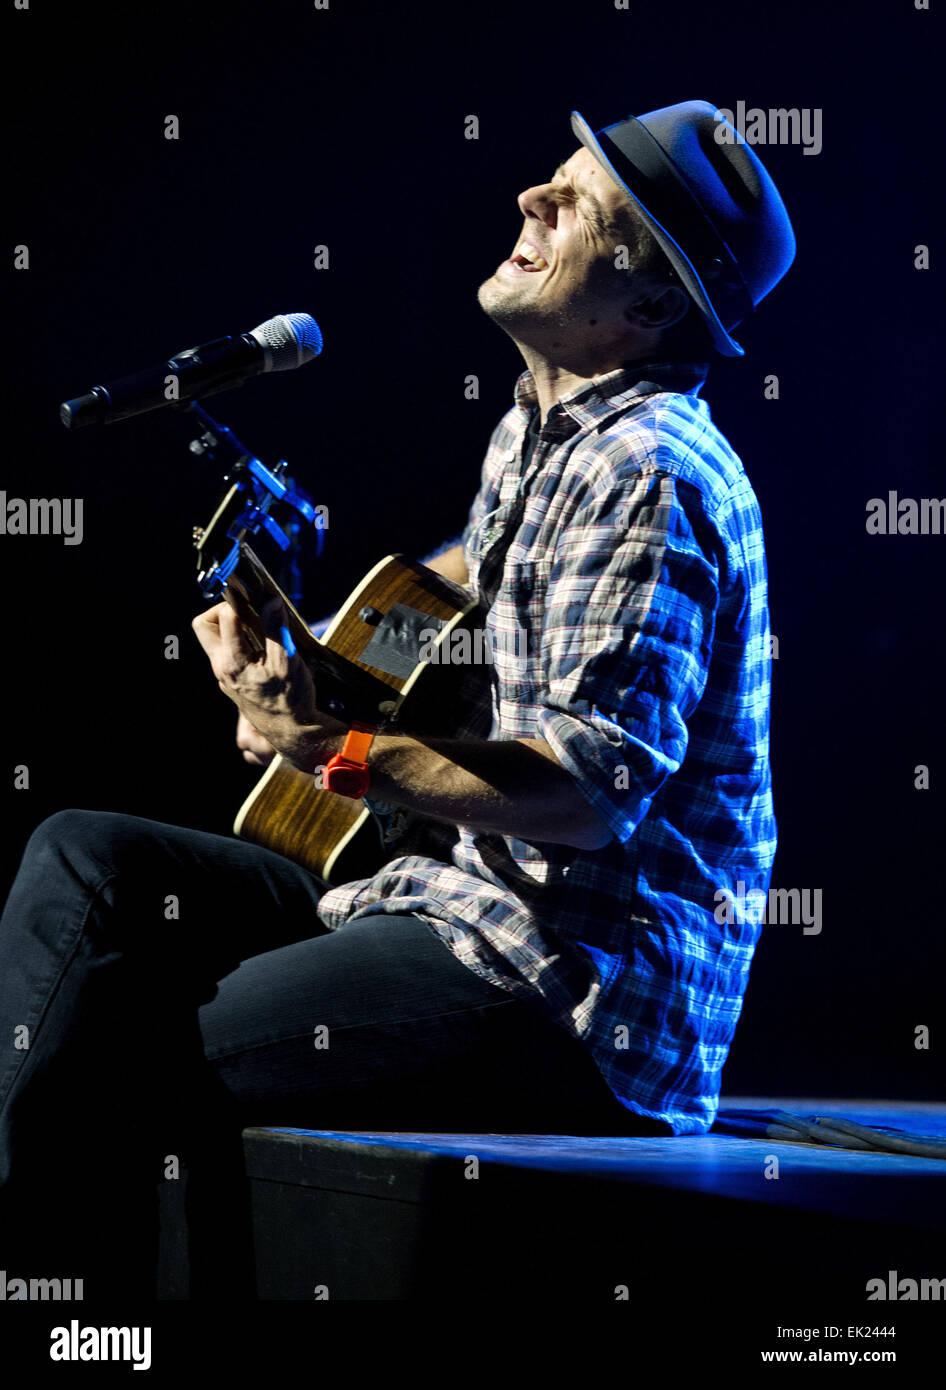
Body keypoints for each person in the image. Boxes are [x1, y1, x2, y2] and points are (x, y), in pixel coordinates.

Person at [0, 100, 794, 1300]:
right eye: (550, 179)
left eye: (578, 204)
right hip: (441, 898)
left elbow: (587, 792)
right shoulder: (539, 433)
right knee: (83, 858)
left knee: (123, 1057)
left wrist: (324, 741)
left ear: (649, 306)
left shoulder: (647, 474)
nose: (531, 200)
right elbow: (465, 574)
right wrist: (314, 651)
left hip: (569, 991)